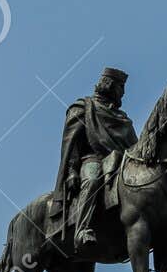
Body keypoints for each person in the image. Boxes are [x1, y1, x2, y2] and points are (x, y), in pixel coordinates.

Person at [52, 67, 137, 250]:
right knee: (92, 181)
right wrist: (72, 171)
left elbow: (135, 148)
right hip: (92, 160)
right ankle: (81, 230)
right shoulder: (84, 107)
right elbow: (71, 144)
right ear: (110, 85)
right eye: (121, 87)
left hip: (121, 163)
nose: (123, 92)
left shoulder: (123, 119)